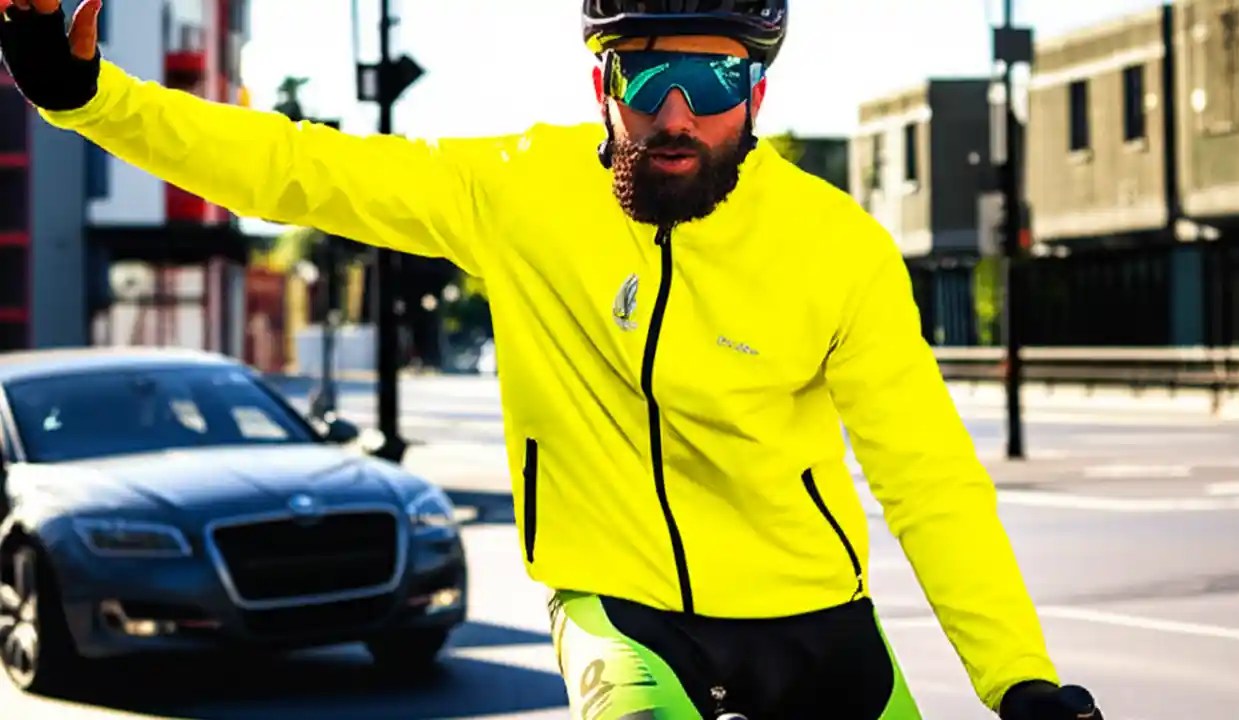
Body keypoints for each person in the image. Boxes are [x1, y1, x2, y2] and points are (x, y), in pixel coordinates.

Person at [0, 1, 1105, 717]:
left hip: (817, 623)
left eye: (713, 85)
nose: (675, 113)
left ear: (756, 98)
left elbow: (929, 482)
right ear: (600, 86)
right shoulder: (515, 195)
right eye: (645, 78)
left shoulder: (838, 248)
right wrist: (86, 95)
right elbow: (296, 170)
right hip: (623, 615)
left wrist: (1016, 678)